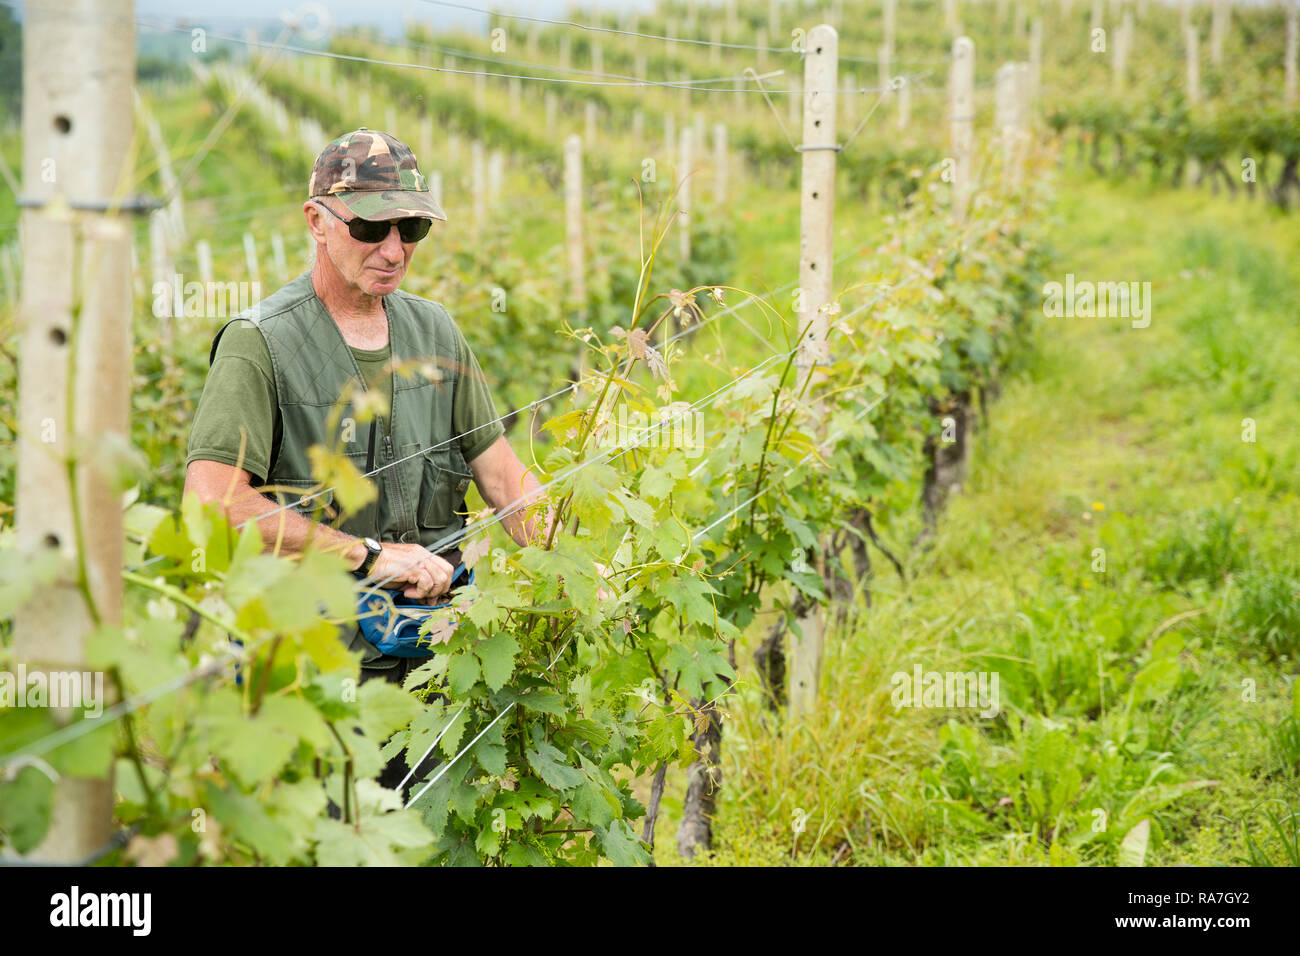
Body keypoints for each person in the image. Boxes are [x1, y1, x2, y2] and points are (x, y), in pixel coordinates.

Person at [182, 129, 550, 788]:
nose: (393, 250)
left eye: (411, 229)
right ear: (317, 222)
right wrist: (369, 556)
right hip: (311, 674)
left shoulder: (434, 331)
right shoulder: (259, 344)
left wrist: (574, 564)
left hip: (434, 663)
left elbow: (501, 473)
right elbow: (211, 504)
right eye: (371, 228)